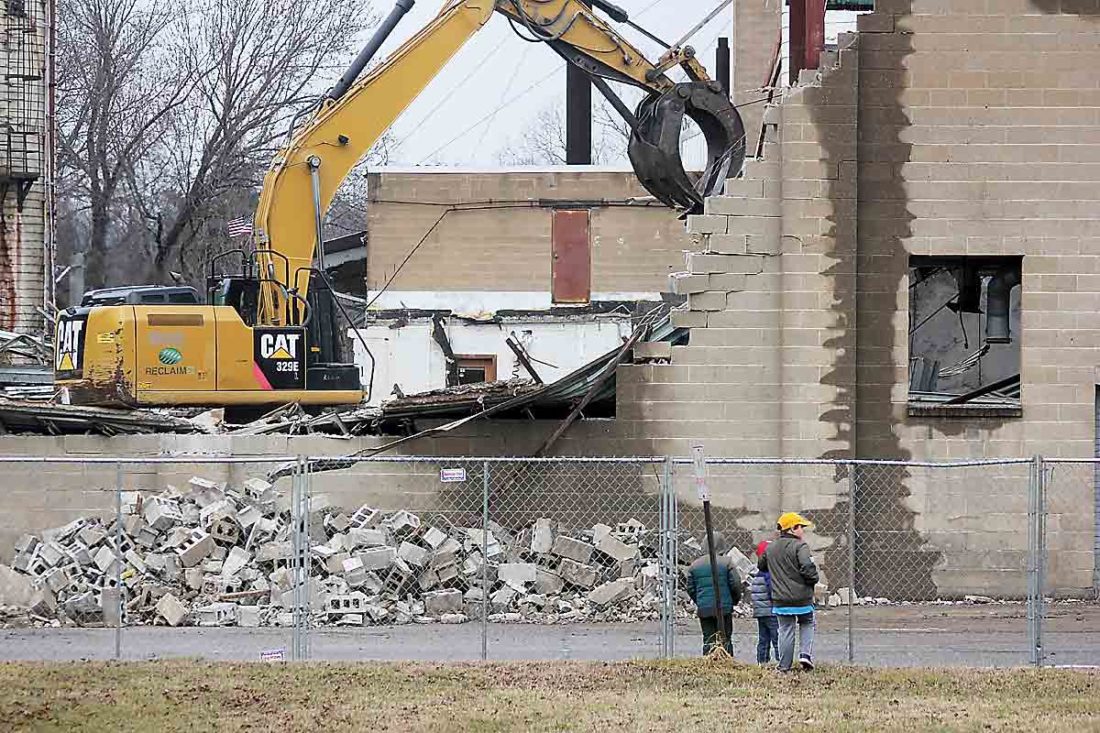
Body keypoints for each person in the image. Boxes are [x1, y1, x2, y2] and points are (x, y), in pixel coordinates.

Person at [758, 512, 819, 671]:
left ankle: (784, 666)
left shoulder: (771, 547)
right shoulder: (800, 546)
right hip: (802, 597)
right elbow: (807, 567)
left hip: (780, 598)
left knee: (785, 629)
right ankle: (805, 655)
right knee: (807, 622)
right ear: (792, 529)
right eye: (800, 527)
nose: (802, 531)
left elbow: (761, 566)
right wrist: (813, 579)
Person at [685, 531, 743, 656]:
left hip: (704, 608)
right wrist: (733, 600)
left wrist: (699, 600)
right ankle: (727, 662)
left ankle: (709, 663)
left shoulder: (695, 565)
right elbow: (736, 584)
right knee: (725, 637)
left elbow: (690, 588)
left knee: (708, 638)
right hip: (724, 607)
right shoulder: (727, 563)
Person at [751, 539, 779, 664]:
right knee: (777, 638)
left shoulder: (758, 575)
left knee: (763, 639)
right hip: (771, 611)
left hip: (760, 612)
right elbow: (772, 591)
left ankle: (762, 661)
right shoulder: (769, 574)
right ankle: (781, 660)